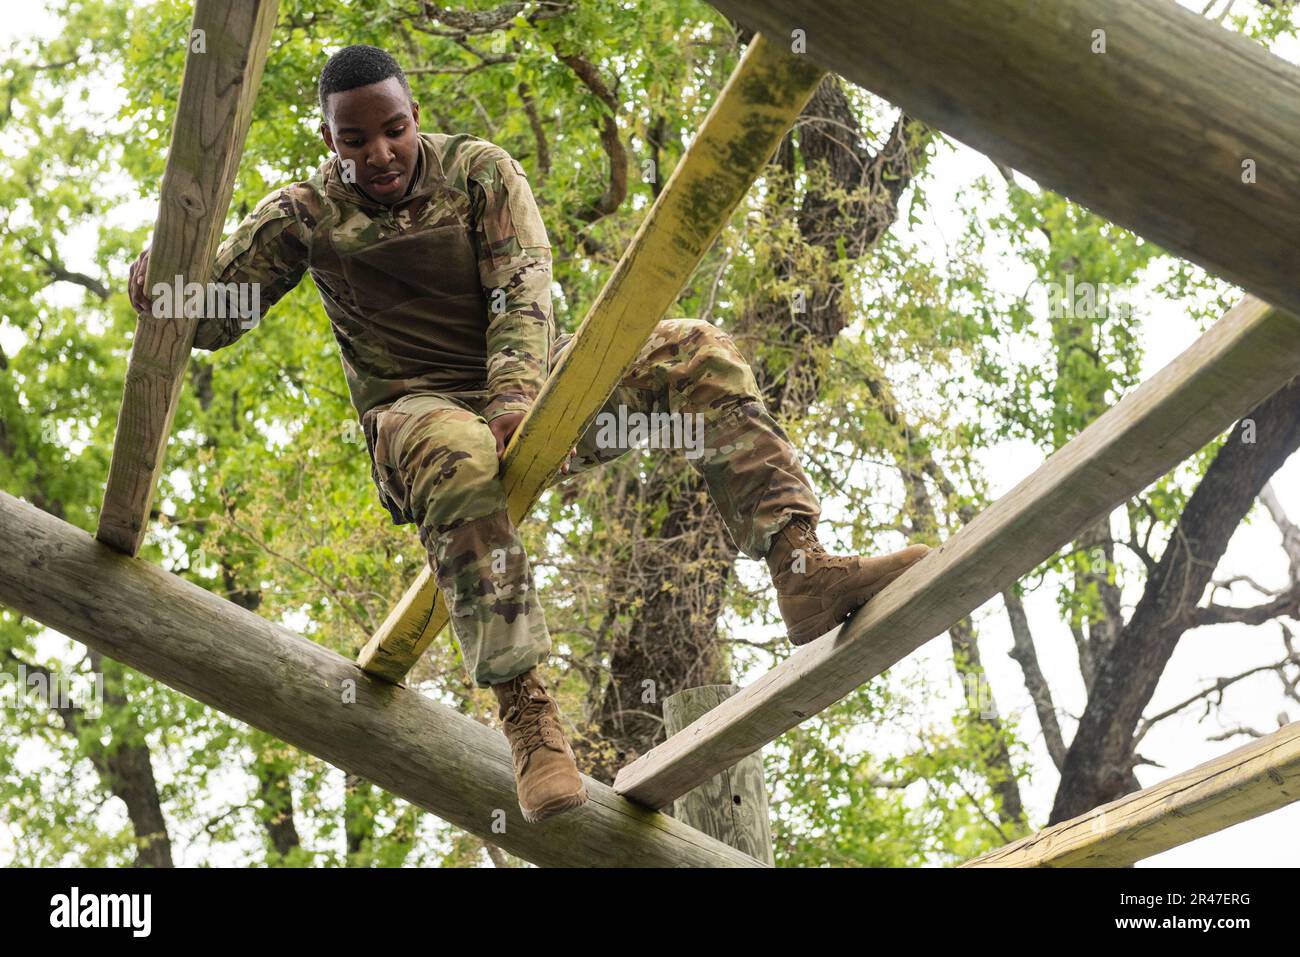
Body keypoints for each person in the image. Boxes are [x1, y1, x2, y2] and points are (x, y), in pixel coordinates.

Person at [127, 45, 931, 825]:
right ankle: (528, 712)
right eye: (355, 139)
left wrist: (518, 394)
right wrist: (157, 277)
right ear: (327, 141)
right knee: (456, 446)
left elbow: (524, 279)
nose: (380, 152)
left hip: (526, 391)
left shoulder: (479, 170)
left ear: (415, 117)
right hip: (416, 419)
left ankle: (799, 565)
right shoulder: (304, 214)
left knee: (694, 349)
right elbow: (214, 318)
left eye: (395, 129)